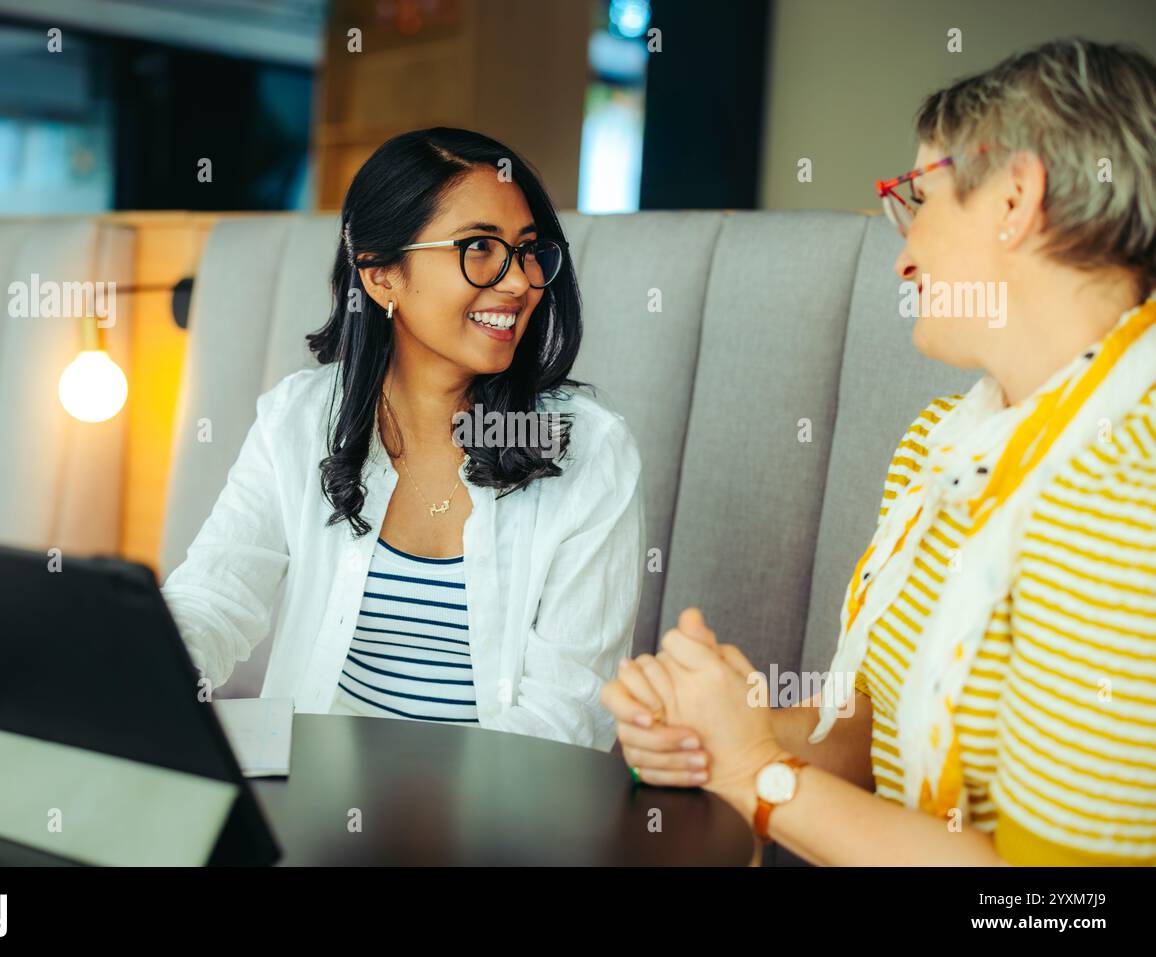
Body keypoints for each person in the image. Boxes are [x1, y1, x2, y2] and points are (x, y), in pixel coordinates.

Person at [604, 38, 1156, 864]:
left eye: (916, 200)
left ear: (1014, 196)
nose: (901, 253)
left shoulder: (1124, 493)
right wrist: (721, 731)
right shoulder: (941, 446)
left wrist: (756, 771)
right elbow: (883, 735)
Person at [164, 127, 644, 750]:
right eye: (478, 247)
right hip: (315, 805)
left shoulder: (588, 451)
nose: (521, 281)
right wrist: (148, 682)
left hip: (494, 822)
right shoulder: (300, 418)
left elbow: (565, 718)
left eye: (528, 250)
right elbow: (212, 599)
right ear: (381, 275)